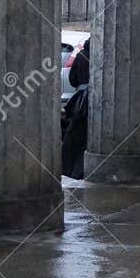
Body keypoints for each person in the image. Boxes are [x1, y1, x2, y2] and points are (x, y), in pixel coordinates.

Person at [62, 38, 90, 179]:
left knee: (76, 138)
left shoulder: (80, 55)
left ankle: (72, 170)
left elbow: (72, 79)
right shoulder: (103, 55)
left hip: (80, 102)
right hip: (91, 100)